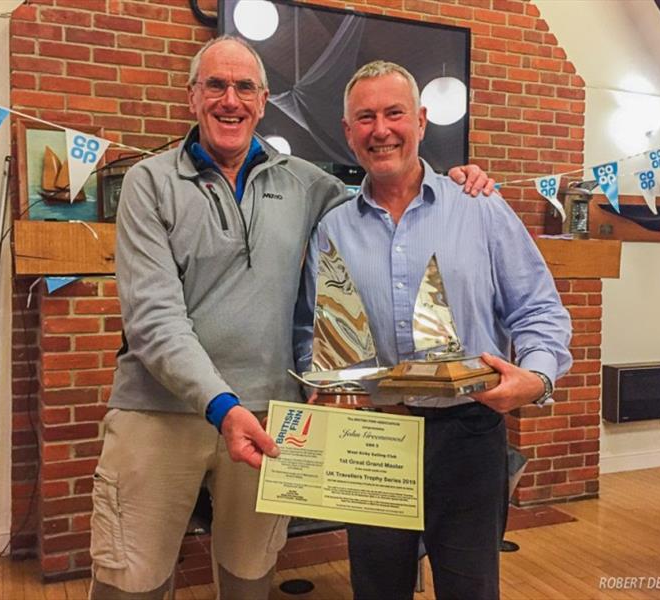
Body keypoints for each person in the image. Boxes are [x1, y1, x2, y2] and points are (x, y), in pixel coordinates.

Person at [89, 37, 493, 600]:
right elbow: (154, 320)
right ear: (192, 97)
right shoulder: (148, 183)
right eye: (215, 85)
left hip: (267, 416)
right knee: (130, 580)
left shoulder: (307, 184)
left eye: (245, 87)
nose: (230, 100)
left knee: (250, 576)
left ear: (263, 100)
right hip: (157, 412)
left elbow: (386, 193)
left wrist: (452, 182)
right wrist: (221, 405)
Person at [295, 61, 572, 600]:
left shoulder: (480, 207)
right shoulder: (333, 229)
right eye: (365, 118)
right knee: (377, 590)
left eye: (394, 113)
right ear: (348, 132)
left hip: (468, 435)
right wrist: (323, 386)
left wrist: (536, 379)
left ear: (421, 121)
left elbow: (539, 308)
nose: (381, 130)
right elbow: (313, 329)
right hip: (373, 439)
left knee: (471, 590)